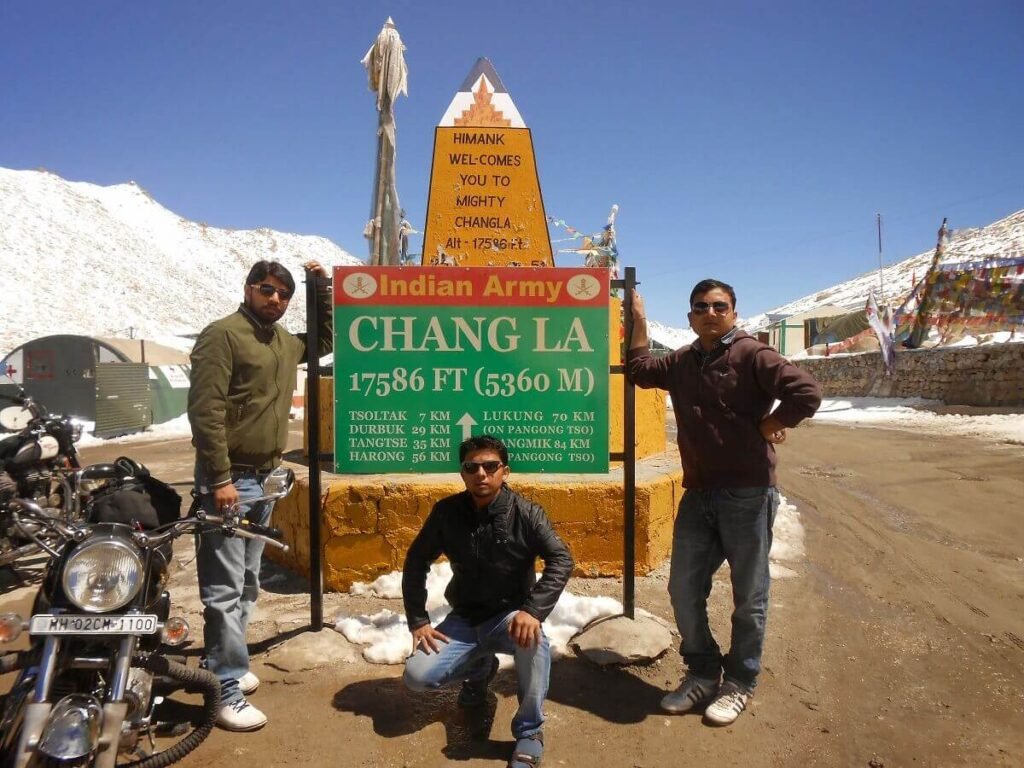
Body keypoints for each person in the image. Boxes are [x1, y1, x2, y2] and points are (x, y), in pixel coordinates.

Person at [627, 278, 821, 726]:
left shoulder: (752, 354)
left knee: (749, 596)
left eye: (720, 306)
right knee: (682, 588)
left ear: (733, 312)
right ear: (690, 316)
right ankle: (701, 671)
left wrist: (773, 422)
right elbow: (639, 371)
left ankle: (739, 682)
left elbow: (807, 391)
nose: (710, 313)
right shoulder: (682, 361)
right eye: (701, 307)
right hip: (698, 494)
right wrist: (637, 319)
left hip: (748, 494)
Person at [188, 259, 332, 731]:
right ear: (249, 289)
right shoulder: (222, 335)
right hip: (232, 481)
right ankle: (225, 687)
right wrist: (219, 478)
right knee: (224, 587)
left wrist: (321, 288)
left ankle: (221, 663)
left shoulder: (283, 341)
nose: (276, 299)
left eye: (284, 294)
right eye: (268, 290)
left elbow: (324, 342)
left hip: (265, 479)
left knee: (248, 581)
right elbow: (206, 411)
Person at [402, 435, 574, 768]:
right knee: (417, 676)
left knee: (534, 642)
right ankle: (480, 669)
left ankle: (530, 732)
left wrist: (532, 611)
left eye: (490, 466)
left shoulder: (526, 514)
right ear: (463, 473)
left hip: (510, 617)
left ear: (504, 471)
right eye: (472, 467)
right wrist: (418, 619)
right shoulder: (447, 513)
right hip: (464, 620)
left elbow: (561, 559)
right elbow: (416, 561)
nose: (481, 473)